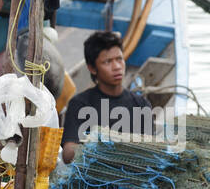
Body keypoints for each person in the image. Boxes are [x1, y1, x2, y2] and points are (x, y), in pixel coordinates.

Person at [60, 31, 154, 164]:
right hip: (92, 178)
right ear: (92, 68)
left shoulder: (141, 105)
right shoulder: (80, 104)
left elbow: (151, 149)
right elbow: (68, 153)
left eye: (119, 59)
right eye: (107, 62)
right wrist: (102, 150)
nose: (116, 67)